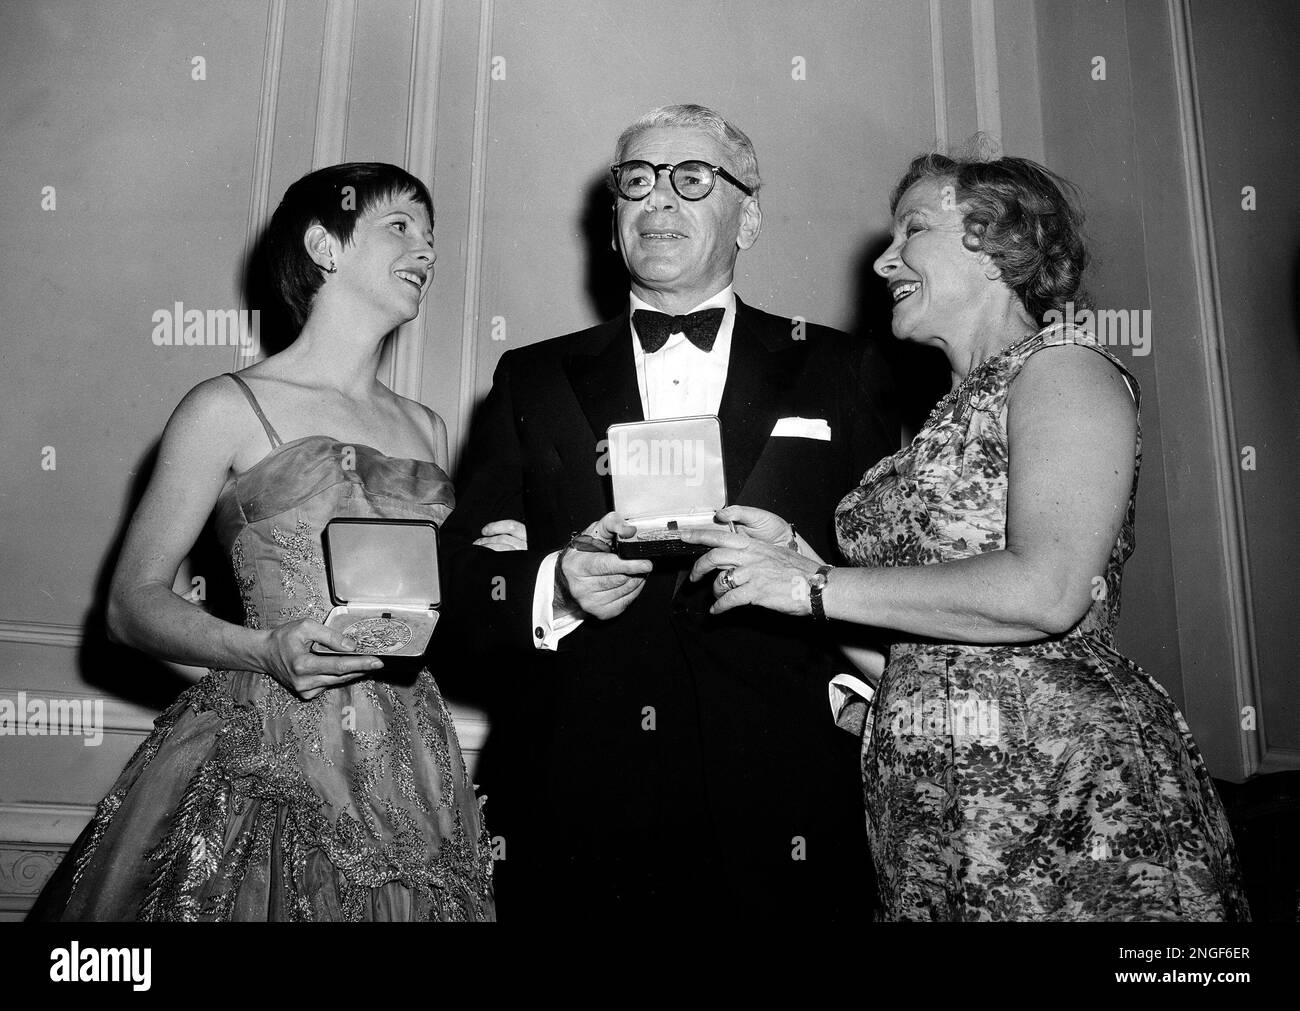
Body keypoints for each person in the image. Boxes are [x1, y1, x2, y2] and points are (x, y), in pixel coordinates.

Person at [682, 153, 1251, 921]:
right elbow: (920, 655)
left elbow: (1047, 593)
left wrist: (817, 584)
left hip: (1060, 791)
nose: (884, 258)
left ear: (999, 243)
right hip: (931, 805)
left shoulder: (1063, 369)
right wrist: (802, 572)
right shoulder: (940, 418)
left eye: (913, 229)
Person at [439, 104, 898, 920]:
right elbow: (459, 586)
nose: (658, 201)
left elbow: (895, 573)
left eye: (693, 179)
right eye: (637, 181)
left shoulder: (845, 366)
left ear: (746, 217)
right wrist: (554, 585)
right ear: (613, 216)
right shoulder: (532, 378)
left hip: (785, 798)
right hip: (576, 798)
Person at [30, 163, 496, 921]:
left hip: (413, 762)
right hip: (268, 749)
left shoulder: (429, 427)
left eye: (433, 237)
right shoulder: (226, 406)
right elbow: (129, 605)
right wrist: (265, 648)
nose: (427, 251)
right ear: (325, 243)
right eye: (401, 226)